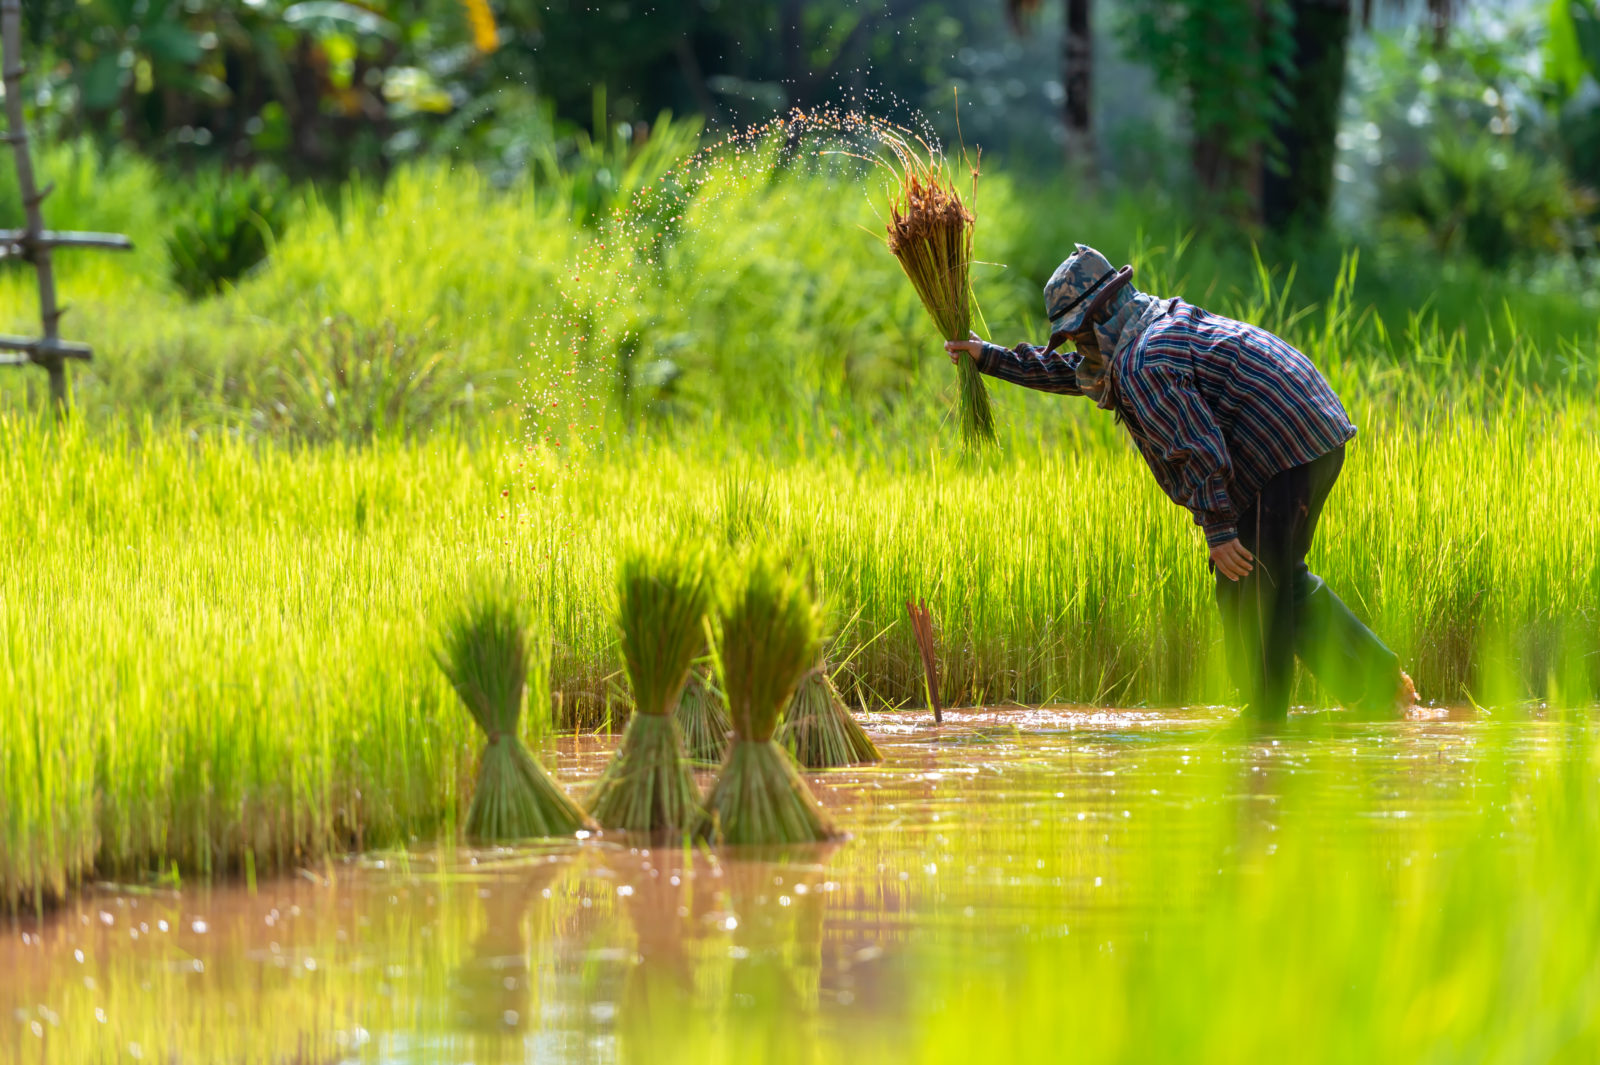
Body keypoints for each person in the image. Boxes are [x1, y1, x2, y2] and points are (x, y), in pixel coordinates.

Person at [946, 244, 1417, 721]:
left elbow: (1197, 445)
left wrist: (1219, 530)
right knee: (1274, 579)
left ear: (1104, 313)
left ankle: (1264, 725)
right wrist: (990, 357)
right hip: (1313, 432)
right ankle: (1380, 690)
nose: (1077, 347)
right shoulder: (1144, 329)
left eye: (1079, 334)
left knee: (1250, 590)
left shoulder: (1144, 360)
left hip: (1283, 448)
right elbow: (1079, 375)